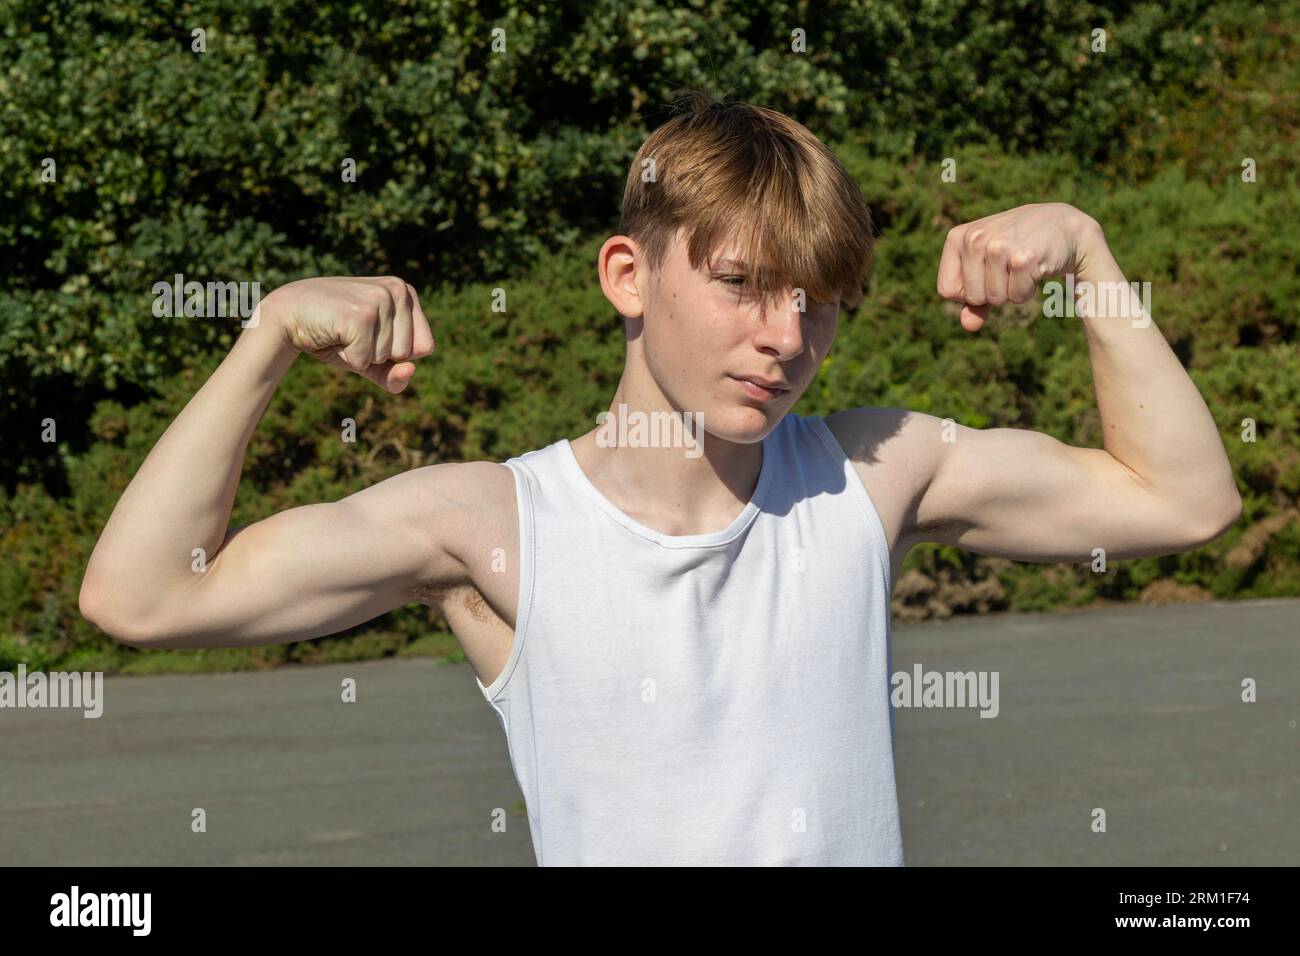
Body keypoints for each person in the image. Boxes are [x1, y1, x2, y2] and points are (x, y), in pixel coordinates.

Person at [79, 90, 1242, 866]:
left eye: (819, 301)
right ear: (627, 274)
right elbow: (142, 596)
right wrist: (269, 336)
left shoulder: (871, 475)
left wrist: (1088, 253)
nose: (786, 336)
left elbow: (1181, 498)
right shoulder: (494, 525)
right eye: (742, 283)